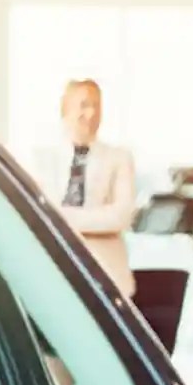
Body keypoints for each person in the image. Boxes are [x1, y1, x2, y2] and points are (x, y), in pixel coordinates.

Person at [34, 78, 138, 299]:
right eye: (83, 105)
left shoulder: (119, 158)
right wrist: (93, 218)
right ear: (65, 110)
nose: (91, 114)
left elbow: (121, 216)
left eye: (96, 106)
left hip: (108, 280)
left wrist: (63, 218)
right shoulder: (42, 160)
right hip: (56, 274)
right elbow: (38, 213)